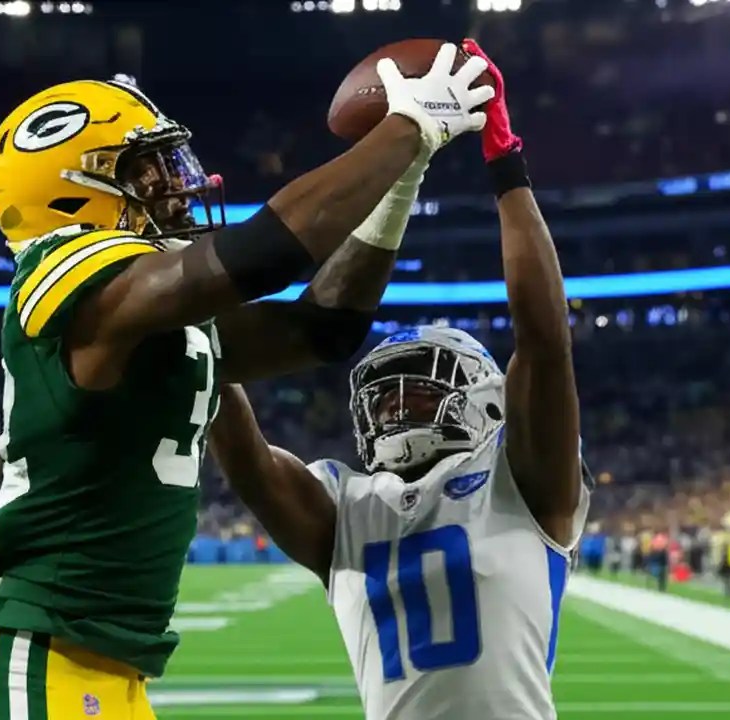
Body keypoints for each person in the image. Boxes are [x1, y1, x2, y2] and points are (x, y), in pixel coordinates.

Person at [0, 48, 496, 720]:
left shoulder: (148, 317)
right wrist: (405, 126)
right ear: (71, 188)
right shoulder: (62, 273)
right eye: (143, 169)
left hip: (110, 673)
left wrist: (400, 181)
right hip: (41, 658)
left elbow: (320, 328)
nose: (175, 185)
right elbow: (262, 257)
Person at [208, 40, 591, 720]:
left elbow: (544, 340)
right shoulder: (345, 506)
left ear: (483, 400)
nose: (394, 409)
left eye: (418, 387)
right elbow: (246, 456)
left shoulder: (524, 483)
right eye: (383, 395)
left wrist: (506, 165)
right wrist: (195, 320)